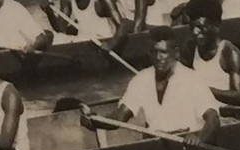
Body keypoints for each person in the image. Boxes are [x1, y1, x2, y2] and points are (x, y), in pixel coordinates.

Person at [81, 27, 219, 143]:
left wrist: (199, 139)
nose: (158, 58)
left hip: (186, 144)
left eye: (164, 52)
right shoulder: (141, 79)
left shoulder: (192, 79)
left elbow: (213, 118)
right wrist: (95, 120)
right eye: (154, 52)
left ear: (176, 53)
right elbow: (120, 116)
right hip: (155, 144)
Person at [185, 0, 240, 119]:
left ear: (216, 25)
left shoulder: (229, 53)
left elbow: (239, 97)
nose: (195, 32)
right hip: (201, 114)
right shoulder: (190, 48)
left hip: (225, 118)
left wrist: (204, 90)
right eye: (192, 27)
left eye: (201, 27)